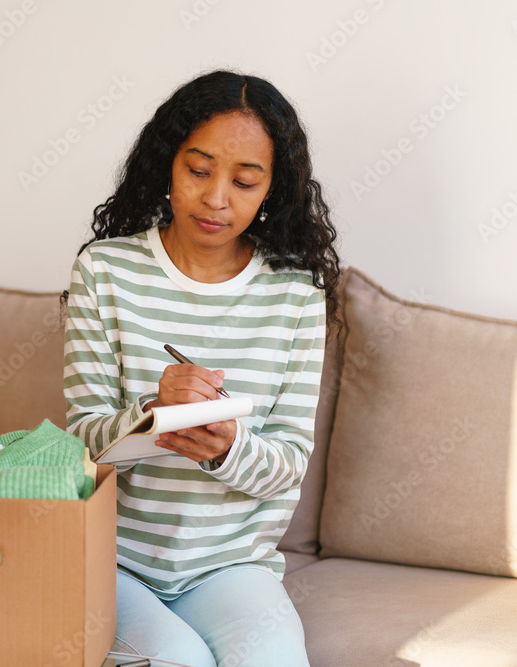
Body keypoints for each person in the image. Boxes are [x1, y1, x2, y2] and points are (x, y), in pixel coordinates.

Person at [63, 69, 340, 667]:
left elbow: (288, 465)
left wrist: (224, 448)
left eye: (244, 181)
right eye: (198, 170)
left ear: (273, 189)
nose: (217, 198)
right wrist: (150, 421)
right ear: (167, 164)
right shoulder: (104, 272)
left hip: (232, 568)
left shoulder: (295, 294)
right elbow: (78, 452)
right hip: (112, 560)